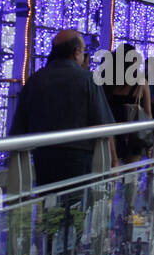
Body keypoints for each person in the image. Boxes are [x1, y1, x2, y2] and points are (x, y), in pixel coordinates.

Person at [10, 30, 117, 187]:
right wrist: (113, 160)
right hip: (78, 155)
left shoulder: (35, 79)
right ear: (76, 53)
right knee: (76, 204)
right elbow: (103, 123)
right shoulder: (87, 79)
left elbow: (19, 124)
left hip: (43, 154)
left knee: (49, 201)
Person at [102, 43, 153, 163]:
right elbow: (148, 113)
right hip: (133, 134)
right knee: (131, 175)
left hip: (112, 133)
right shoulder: (141, 83)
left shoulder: (108, 82)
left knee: (112, 173)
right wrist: (149, 140)